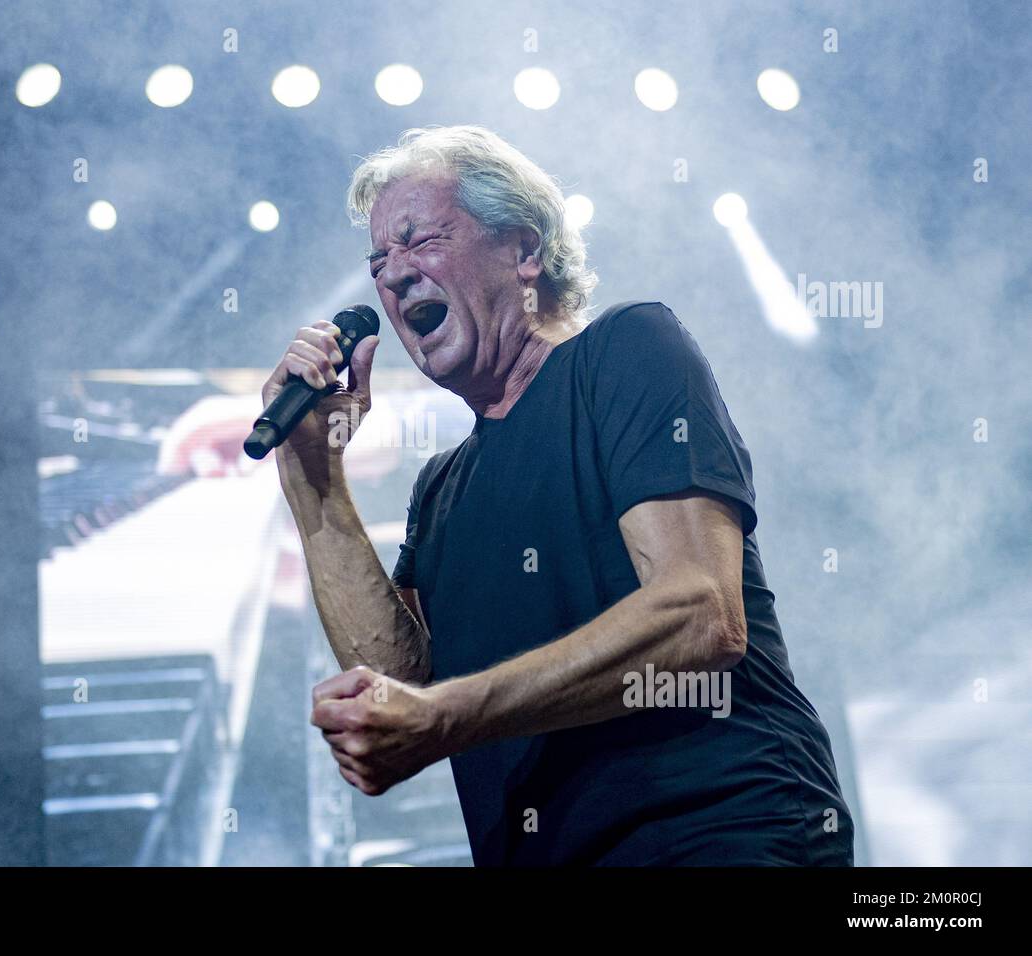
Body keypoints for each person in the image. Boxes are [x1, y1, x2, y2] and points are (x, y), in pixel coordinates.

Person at [262, 125, 854, 866]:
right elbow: (401, 690)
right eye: (378, 260)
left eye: (419, 241)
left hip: (716, 833)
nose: (394, 276)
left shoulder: (626, 350)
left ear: (524, 250)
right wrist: (311, 474)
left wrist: (448, 714)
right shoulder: (441, 486)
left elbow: (702, 617)